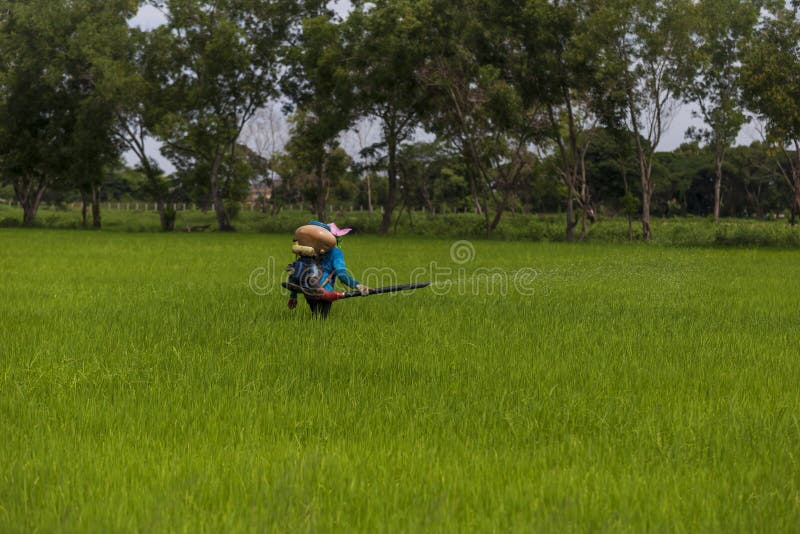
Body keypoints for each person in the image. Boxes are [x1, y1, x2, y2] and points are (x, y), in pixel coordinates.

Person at [287, 221, 369, 318]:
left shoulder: (307, 251)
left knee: (315, 317)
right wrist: (358, 285)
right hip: (324, 291)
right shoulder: (336, 252)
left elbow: (297, 273)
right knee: (322, 321)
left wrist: (293, 296)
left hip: (308, 291)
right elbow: (342, 274)